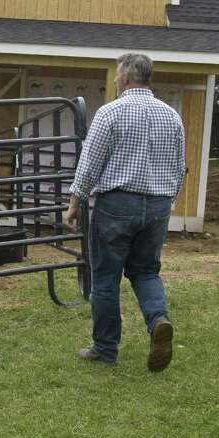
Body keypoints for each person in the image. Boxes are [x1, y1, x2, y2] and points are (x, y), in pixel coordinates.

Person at [65, 53, 185, 372]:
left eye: (118, 74)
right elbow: (178, 166)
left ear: (128, 77)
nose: (116, 79)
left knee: (105, 277)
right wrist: (168, 201)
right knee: (146, 271)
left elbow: (90, 163)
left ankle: (105, 349)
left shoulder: (111, 112)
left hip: (117, 204)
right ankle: (158, 320)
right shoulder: (171, 116)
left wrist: (75, 202)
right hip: (158, 204)